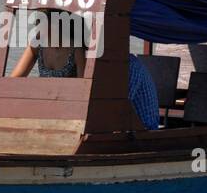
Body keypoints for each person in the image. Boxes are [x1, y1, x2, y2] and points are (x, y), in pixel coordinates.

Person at [10, 8, 160, 131]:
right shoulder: (40, 43)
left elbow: (110, 106)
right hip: (65, 114)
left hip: (143, 133)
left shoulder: (127, 66)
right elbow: (13, 81)